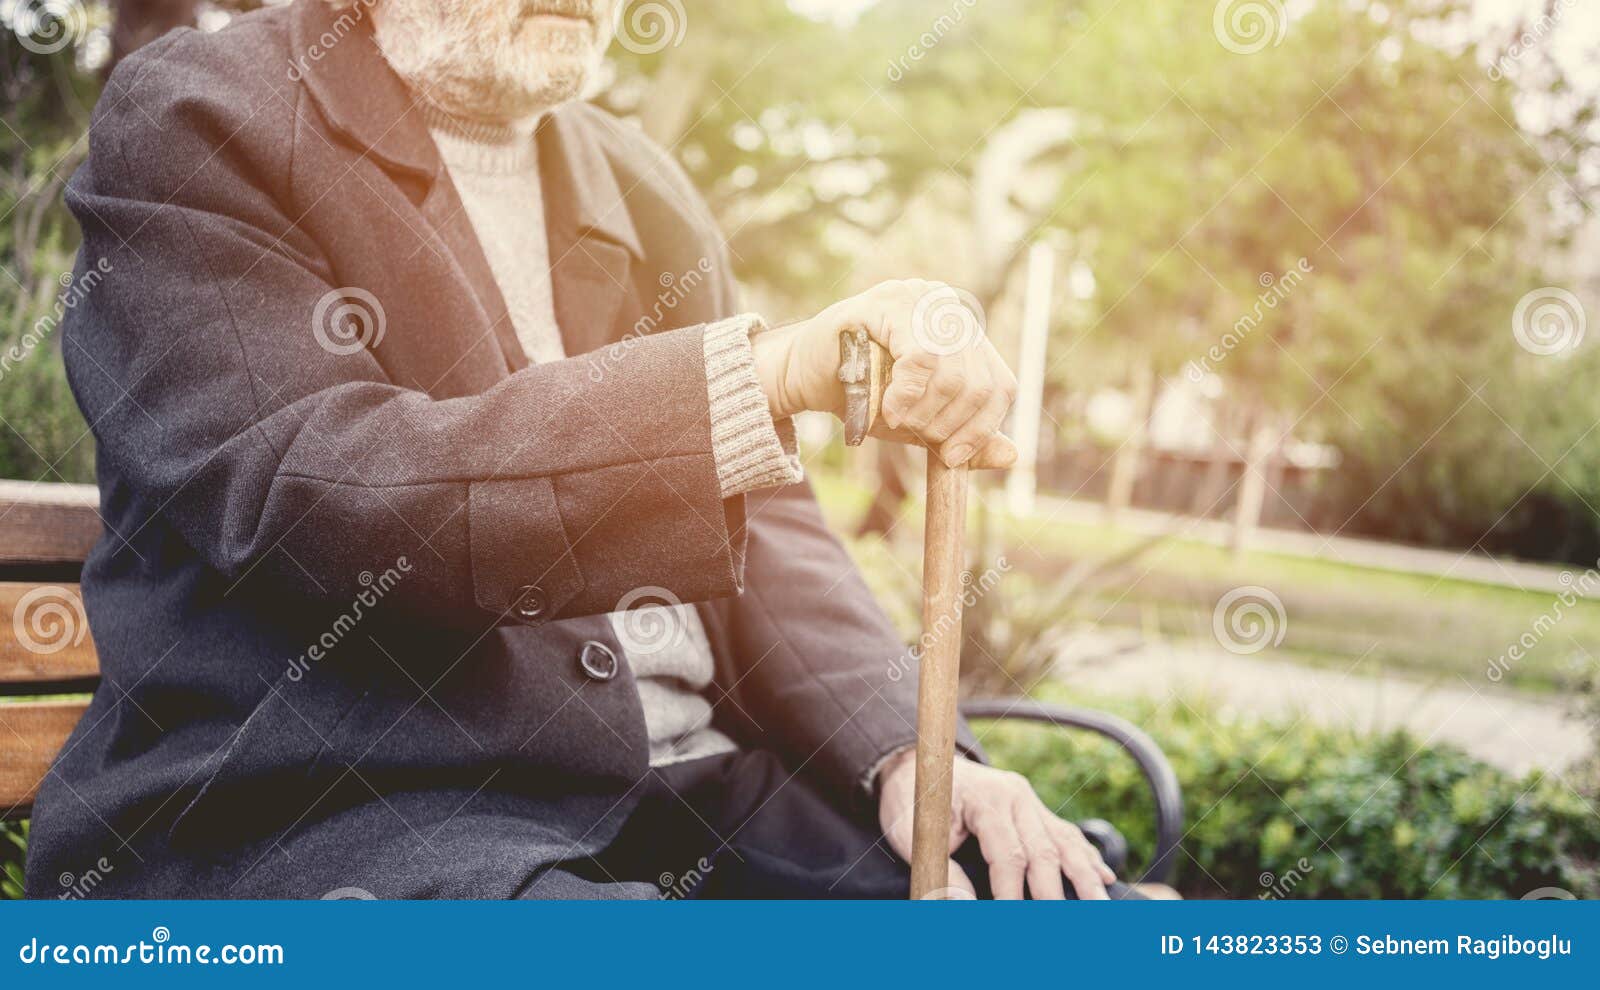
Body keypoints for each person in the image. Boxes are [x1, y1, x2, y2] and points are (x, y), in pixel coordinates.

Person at [25, 0, 1128, 900]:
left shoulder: (641, 182)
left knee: (1067, 928)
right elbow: (309, 494)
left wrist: (907, 756)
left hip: (686, 798)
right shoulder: (204, 118)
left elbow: (776, 524)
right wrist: (754, 378)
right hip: (355, 815)